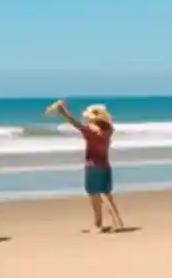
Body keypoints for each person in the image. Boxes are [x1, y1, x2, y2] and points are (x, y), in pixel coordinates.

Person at [50, 99, 125, 232]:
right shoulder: (107, 131)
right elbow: (104, 123)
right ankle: (100, 223)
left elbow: (75, 123)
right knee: (101, 194)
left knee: (99, 195)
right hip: (103, 167)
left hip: (94, 167)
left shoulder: (92, 133)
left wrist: (64, 112)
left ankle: (115, 221)